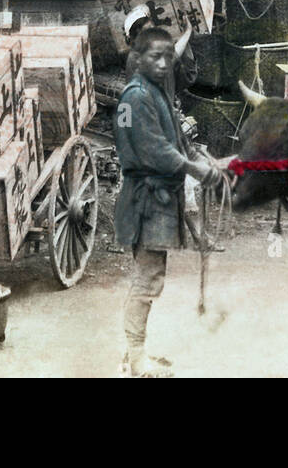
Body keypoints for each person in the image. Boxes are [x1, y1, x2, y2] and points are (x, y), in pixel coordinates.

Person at [113, 26, 221, 377]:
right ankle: (135, 358)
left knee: (150, 275)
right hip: (146, 198)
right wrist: (197, 171)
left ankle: (136, 353)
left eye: (167, 58)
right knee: (147, 278)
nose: (162, 64)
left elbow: (175, 139)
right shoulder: (135, 97)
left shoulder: (156, 94)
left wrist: (206, 161)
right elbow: (156, 150)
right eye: (154, 57)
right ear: (138, 59)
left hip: (157, 197)